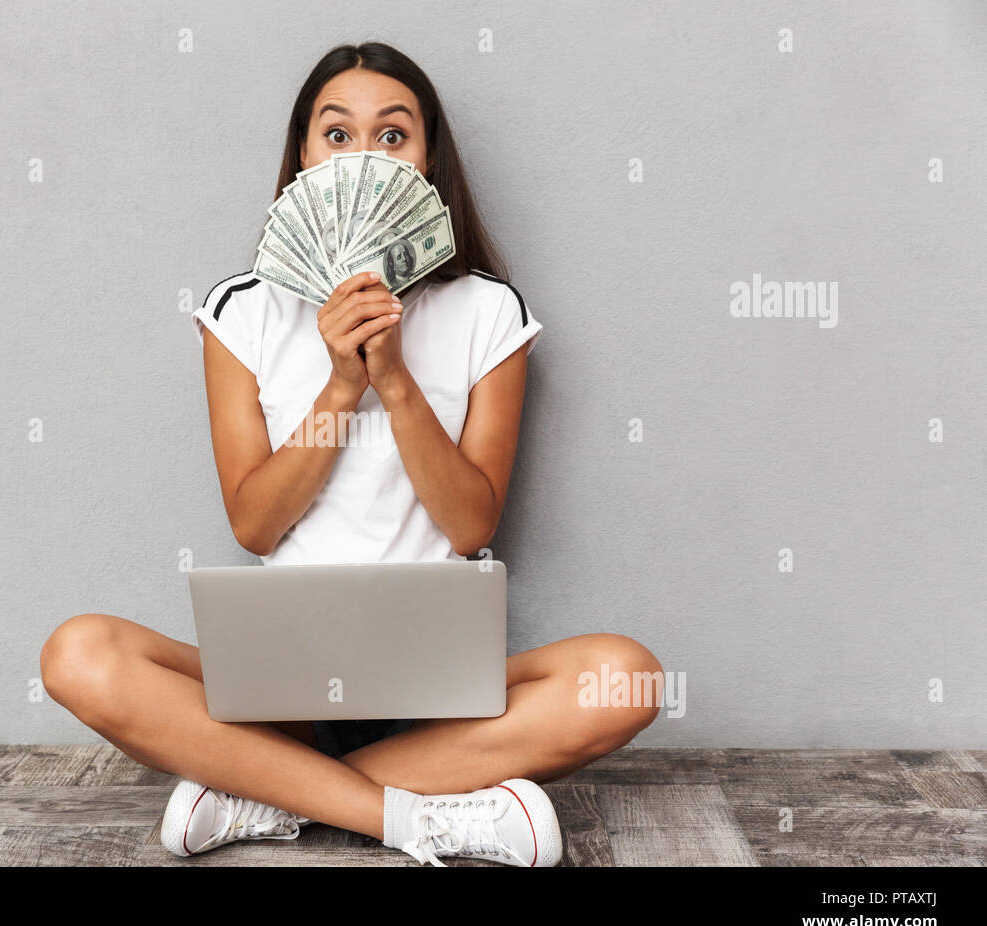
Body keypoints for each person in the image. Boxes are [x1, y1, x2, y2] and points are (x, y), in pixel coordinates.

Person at [40, 41, 663, 868]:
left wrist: (395, 381)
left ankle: (260, 794)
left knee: (629, 677)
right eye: (337, 135)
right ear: (302, 156)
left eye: (393, 135)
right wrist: (340, 387)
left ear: (428, 160)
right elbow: (256, 526)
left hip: (440, 686)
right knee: (79, 654)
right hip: (285, 688)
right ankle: (417, 817)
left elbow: (471, 522)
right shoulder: (243, 310)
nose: (364, 157)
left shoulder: (486, 310)